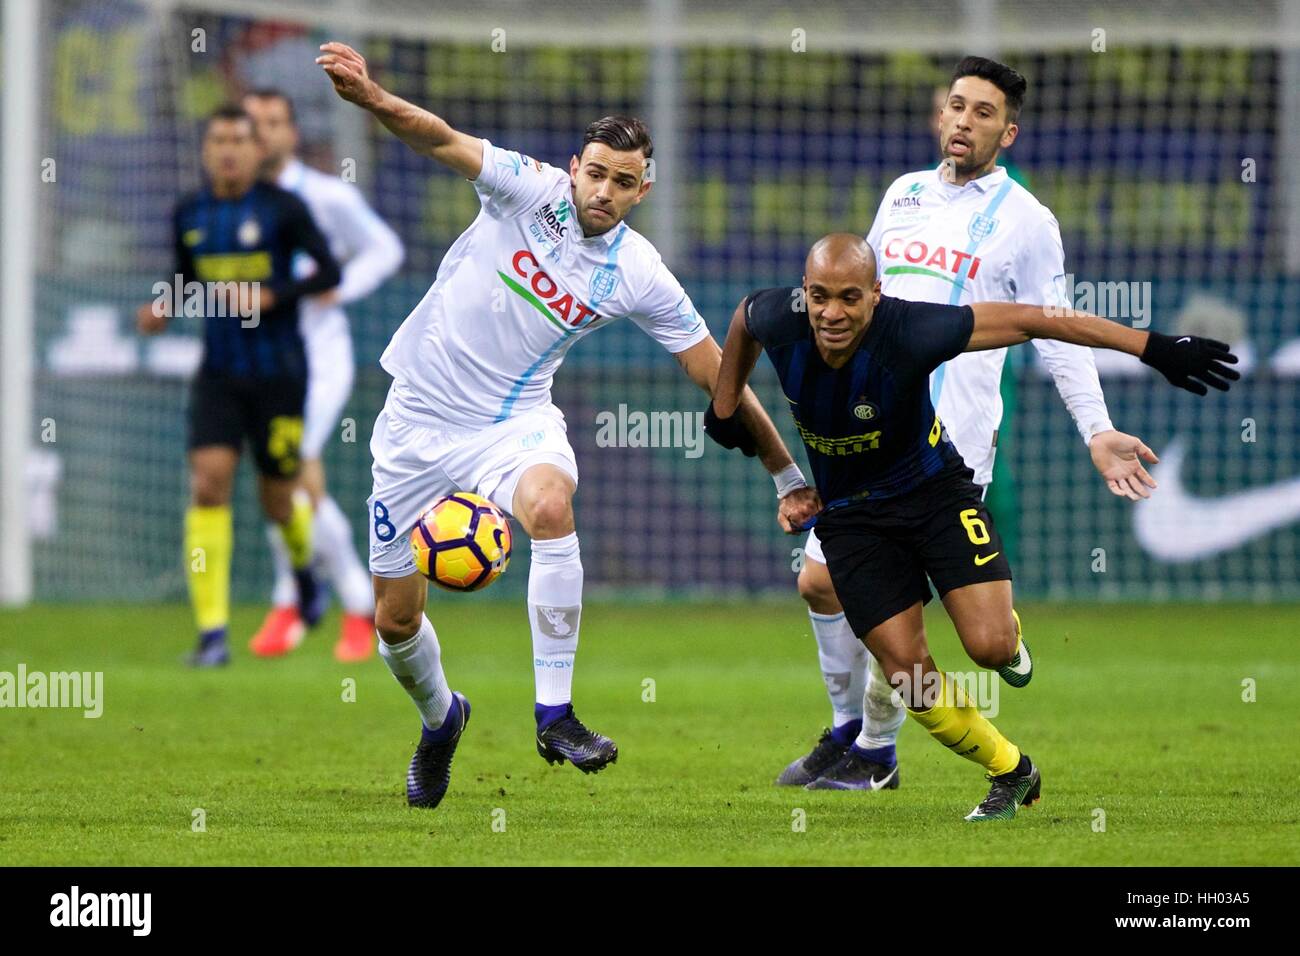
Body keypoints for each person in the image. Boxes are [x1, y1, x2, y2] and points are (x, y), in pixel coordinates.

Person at [315, 41, 816, 808]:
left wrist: (785, 474)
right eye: (595, 173)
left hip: (515, 423)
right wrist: (375, 98)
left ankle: (556, 715)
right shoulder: (525, 188)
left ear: (642, 188)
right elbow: (442, 137)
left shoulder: (638, 272)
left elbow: (718, 373)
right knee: (394, 619)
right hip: (415, 421)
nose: (604, 191)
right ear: (574, 168)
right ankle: (442, 719)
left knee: (550, 506)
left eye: (623, 181)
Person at [708, 233, 1237, 819]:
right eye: (820, 296)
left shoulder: (912, 330)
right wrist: (725, 404)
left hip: (935, 494)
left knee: (988, 646)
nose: (832, 313)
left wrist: (1154, 346)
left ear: (877, 296)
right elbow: (742, 320)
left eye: (850, 298)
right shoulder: (776, 315)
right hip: (854, 519)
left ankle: (1007, 635)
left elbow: (1033, 320)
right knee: (909, 677)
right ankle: (1012, 771)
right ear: (804, 292)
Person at [782, 56, 1161, 790]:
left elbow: (1052, 327)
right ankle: (859, 739)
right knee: (821, 585)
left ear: (1007, 131)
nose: (964, 120)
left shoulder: (1027, 221)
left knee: (968, 638)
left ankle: (944, 689)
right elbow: (859, 299)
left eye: (983, 112)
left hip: (949, 445)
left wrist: (1097, 429)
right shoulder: (902, 196)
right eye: (957, 105)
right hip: (866, 439)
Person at [137, 104, 341, 667]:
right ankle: (212, 635)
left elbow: (329, 271)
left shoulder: (283, 208)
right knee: (209, 485)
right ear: (206, 151)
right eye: (218, 139)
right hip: (219, 375)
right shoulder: (189, 212)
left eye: (239, 139)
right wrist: (164, 306)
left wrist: (275, 295)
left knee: (279, 498)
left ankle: (305, 573)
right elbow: (185, 276)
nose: (228, 149)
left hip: (280, 375)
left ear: (257, 151)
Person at [242, 89, 406, 663]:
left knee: (291, 468)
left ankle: (298, 598)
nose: (260, 133)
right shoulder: (235, 201)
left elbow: (385, 248)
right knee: (282, 480)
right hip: (259, 358)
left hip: (318, 358)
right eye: (250, 123)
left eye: (272, 122)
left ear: (291, 132)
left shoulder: (326, 196)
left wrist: (341, 287)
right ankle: (349, 601)